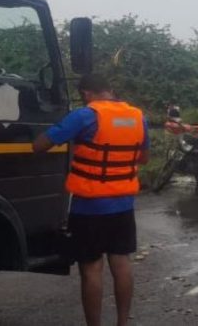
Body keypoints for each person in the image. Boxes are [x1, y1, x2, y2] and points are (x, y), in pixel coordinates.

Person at [33, 74, 148, 326]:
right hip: (124, 205)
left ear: (86, 93)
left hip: (89, 207)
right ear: (110, 89)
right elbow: (143, 158)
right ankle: (122, 323)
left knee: (92, 269)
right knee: (121, 263)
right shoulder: (138, 116)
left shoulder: (84, 115)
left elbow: (40, 145)